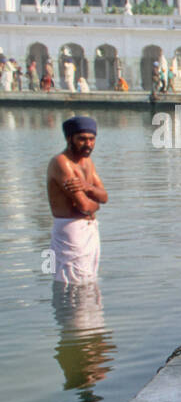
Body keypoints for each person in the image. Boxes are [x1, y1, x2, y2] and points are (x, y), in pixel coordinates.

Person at [46, 116, 108, 284]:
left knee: (90, 282)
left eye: (92, 139)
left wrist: (88, 187)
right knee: (71, 284)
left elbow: (104, 196)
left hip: (90, 230)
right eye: (82, 139)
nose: (88, 144)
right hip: (70, 230)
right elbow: (85, 205)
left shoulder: (87, 161)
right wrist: (96, 204)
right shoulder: (61, 163)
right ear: (69, 138)